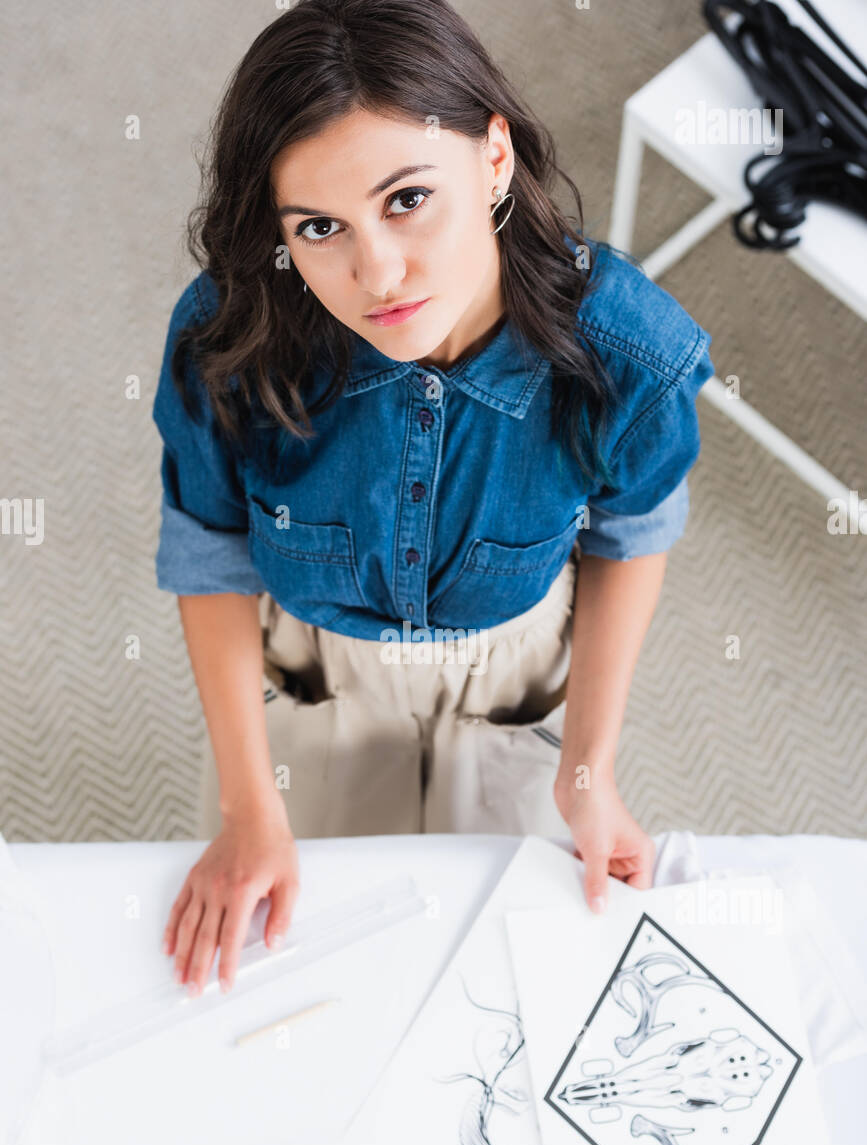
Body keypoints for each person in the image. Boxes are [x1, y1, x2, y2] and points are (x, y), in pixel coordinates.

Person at [153, 0, 714, 997]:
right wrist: (249, 806)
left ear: (494, 158)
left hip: (517, 685)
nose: (376, 273)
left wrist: (588, 772)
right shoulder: (228, 343)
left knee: (495, 975)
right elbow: (211, 554)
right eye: (320, 227)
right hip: (314, 678)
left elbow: (633, 532)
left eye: (408, 199)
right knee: (310, 969)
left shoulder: (632, 354)